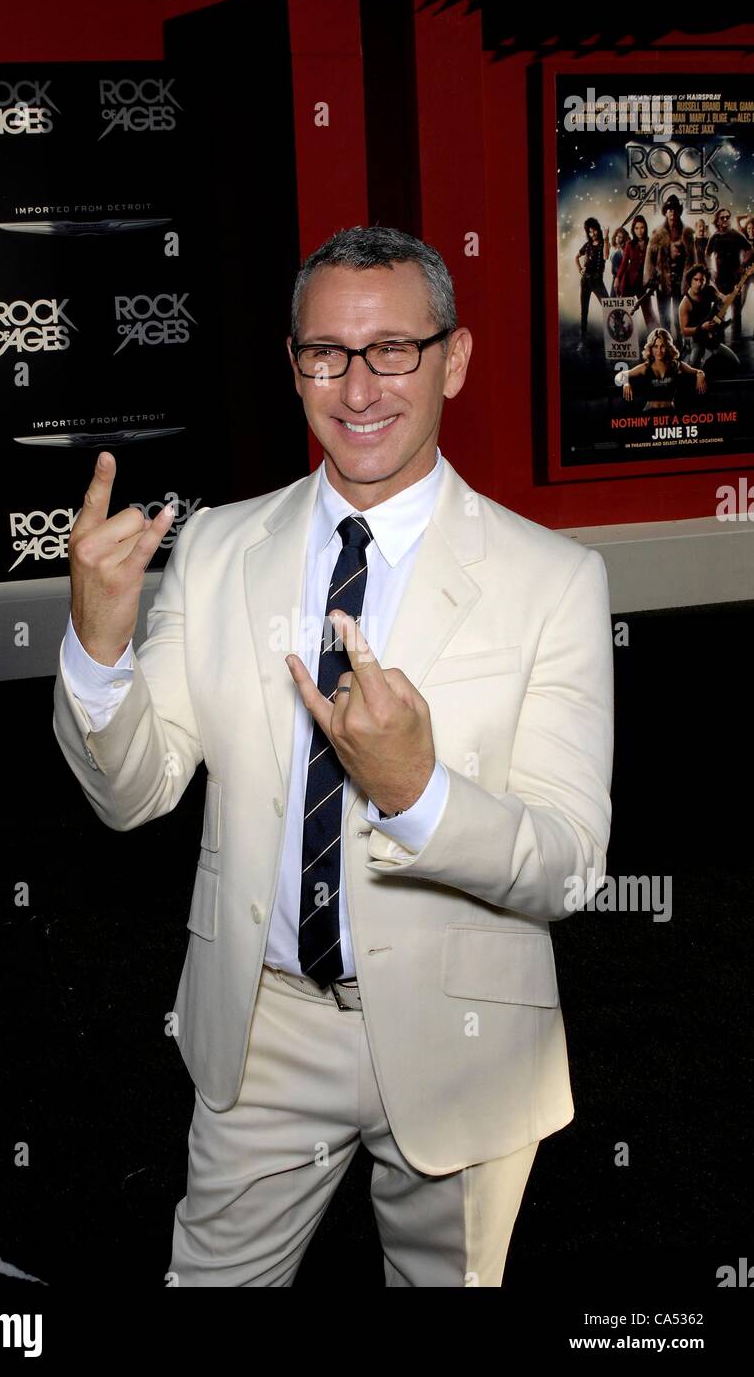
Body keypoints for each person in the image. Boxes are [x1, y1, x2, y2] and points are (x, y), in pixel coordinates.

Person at [52, 225, 614, 1288]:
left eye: (392, 349)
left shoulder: (553, 580)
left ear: (453, 359)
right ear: (293, 364)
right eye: (326, 353)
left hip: (466, 1035)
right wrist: (96, 645)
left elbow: (569, 862)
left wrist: (415, 792)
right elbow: (134, 795)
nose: (357, 387)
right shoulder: (218, 548)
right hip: (261, 1027)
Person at [644, 195, 695, 346]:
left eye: (675, 210)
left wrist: (694, 280)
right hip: (663, 282)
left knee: (681, 315)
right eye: (669, 210)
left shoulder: (687, 233)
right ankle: (666, 345)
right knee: (664, 316)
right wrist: (651, 279)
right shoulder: (657, 233)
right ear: (666, 212)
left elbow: (693, 259)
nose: (672, 213)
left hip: (682, 281)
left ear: (679, 212)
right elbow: (649, 259)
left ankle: (682, 344)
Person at [622, 326, 707, 409]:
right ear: (650, 348)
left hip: (669, 413)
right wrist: (626, 383)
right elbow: (622, 374)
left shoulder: (676, 365)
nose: (659, 351)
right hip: (650, 413)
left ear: (667, 347)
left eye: (662, 346)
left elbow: (697, 371)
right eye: (655, 346)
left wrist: (701, 375)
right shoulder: (645, 367)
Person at [678, 264, 741, 374]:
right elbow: (684, 331)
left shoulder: (709, 290)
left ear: (706, 280)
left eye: (702, 280)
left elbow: (724, 299)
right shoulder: (685, 304)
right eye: (696, 279)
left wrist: (734, 292)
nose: (699, 284)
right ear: (690, 280)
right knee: (692, 372)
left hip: (709, 338)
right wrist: (701, 327)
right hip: (695, 339)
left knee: (735, 363)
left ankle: (709, 365)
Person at [706, 208, 753, 345]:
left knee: (736, 309)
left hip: (734, 277)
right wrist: (711, 269)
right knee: (720, 309)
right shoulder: (715, 237)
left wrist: (743, 265)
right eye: (723, 217)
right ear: (718, 220)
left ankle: (735, 340)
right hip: (720, 278)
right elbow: (707, 254)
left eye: (727, 217)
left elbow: (749, 249)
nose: (726, 220)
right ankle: (720, 341)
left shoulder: (736, 235)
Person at [615, 215, 656, 335]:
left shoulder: (651, 242)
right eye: (637, 228)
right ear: (633, 229)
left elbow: (654, 264)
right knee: (624, 311)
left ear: (646, 228)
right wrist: (617, 278)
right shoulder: (629, 244)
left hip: (644, 283)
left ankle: (652, 337)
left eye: (642, 227)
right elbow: (623, 263)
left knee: (648, 312)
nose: (639, 231)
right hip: (629, 281)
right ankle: (622, 336)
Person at [575, 216, 610, 351]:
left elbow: (606, 256)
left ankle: (616, 338)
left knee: (608, 307)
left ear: (598, 230)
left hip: (597, 280)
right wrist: (579, 269)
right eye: (590, 232)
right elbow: (576, 257)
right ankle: (582, 341)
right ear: (588, 233)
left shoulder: (603, 243)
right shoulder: (587, 245)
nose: (593, 234)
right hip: (585, 280)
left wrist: (606, 237)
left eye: (594, 230)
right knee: (584, 311)